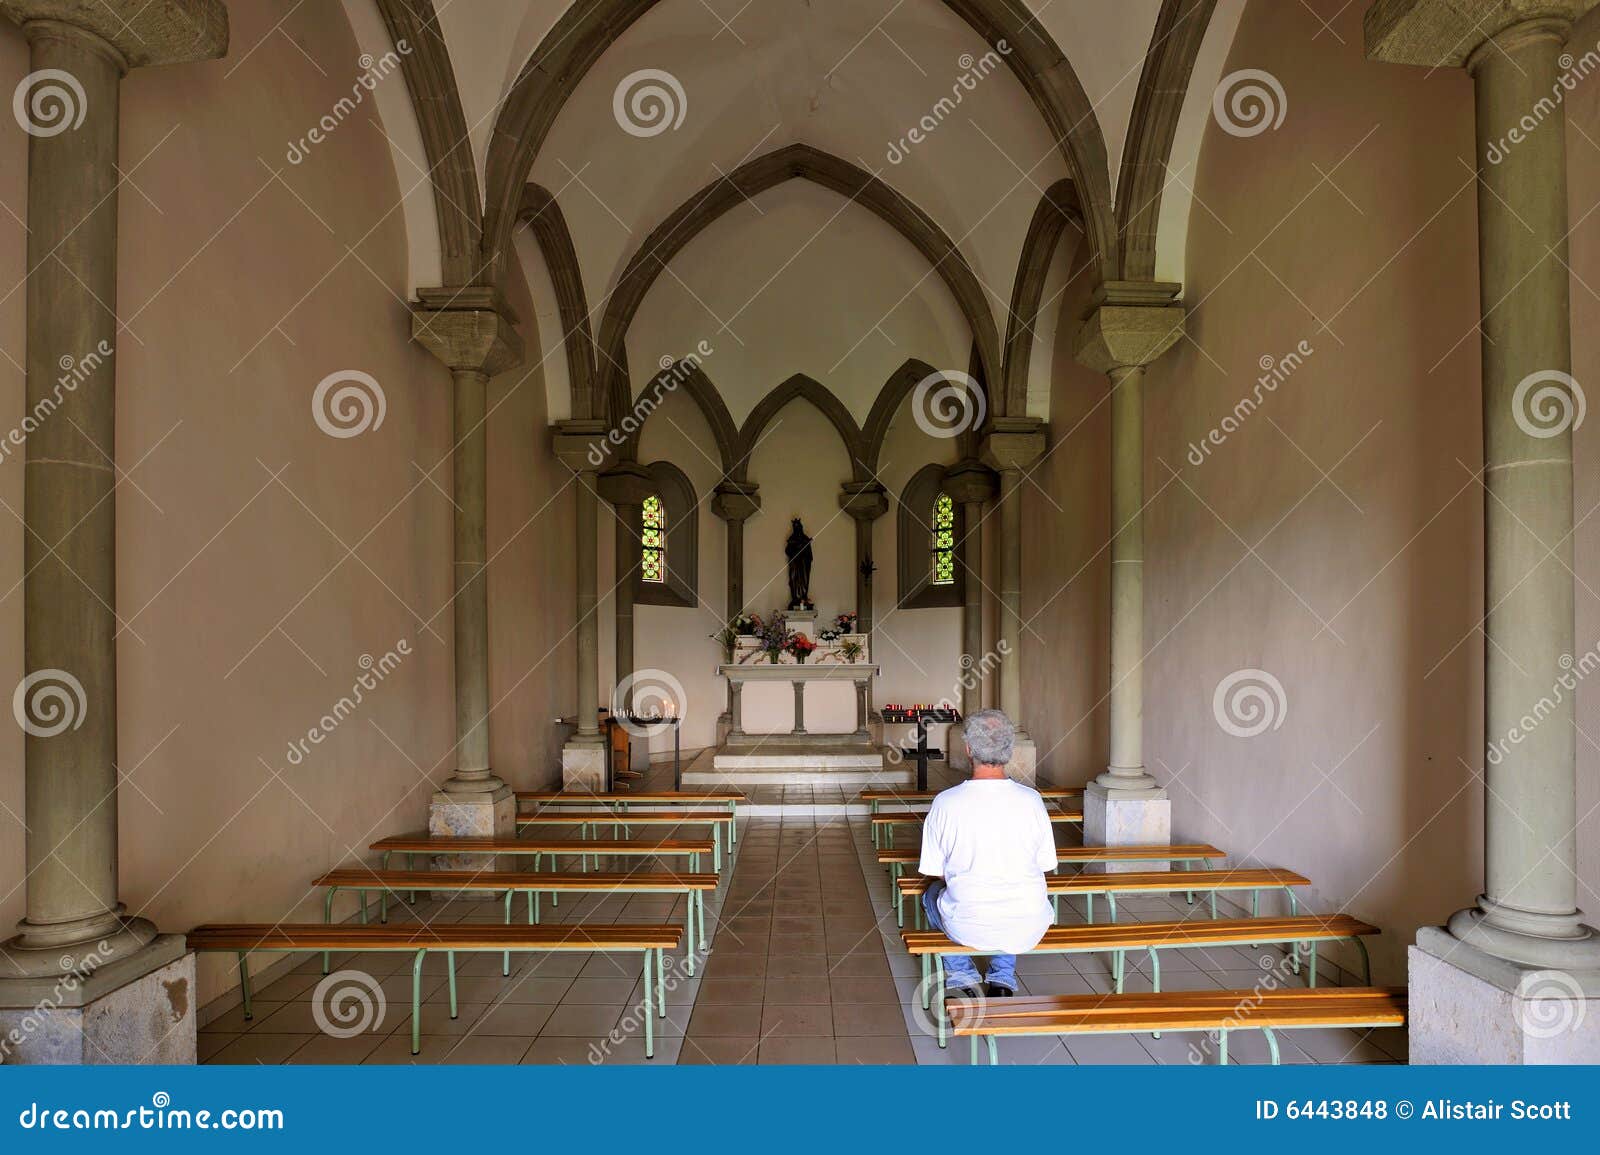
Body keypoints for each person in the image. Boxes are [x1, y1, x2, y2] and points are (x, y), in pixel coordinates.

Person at [916, 708, 1056, 997]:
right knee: (1015, 889)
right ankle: (1002, 978)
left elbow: (935, 870)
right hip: (1028, 924)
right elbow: (1044, 863)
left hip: (967, 923)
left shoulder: (946, 803)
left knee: (930, 895)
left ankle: (962, 974)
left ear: (968, 748)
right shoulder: (1032, 801)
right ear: (1009, 750)